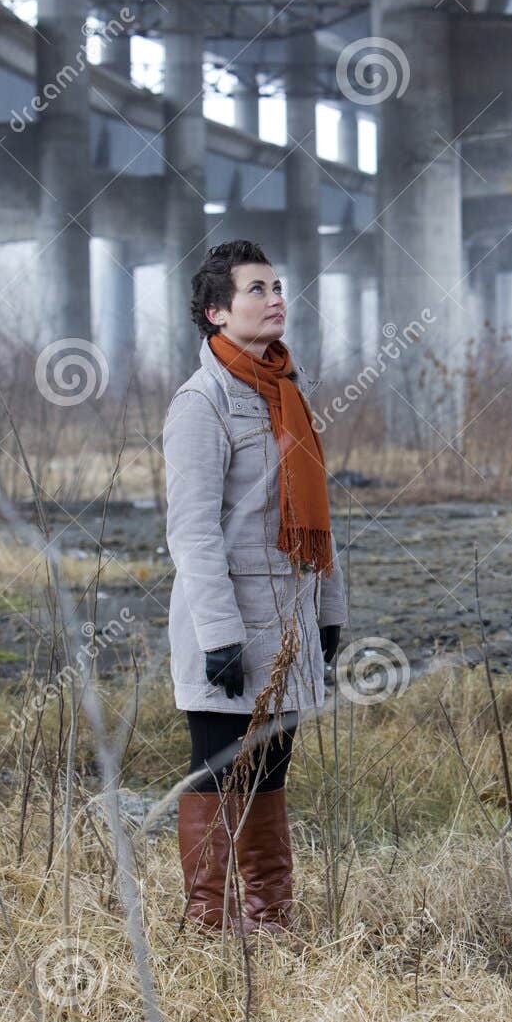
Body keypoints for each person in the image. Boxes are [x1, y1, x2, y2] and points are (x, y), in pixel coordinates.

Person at [161, 239, 348, 937]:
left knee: (268, 770)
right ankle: (208, 922)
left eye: (277, 286)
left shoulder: (286, 392)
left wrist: (331, 614)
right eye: (255, 290)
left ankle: (270, 919)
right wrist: (218, 636)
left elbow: (318, 515)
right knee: (217, 772)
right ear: (215, 312)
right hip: (232, 624)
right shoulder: (200, 403)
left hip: (291, 619)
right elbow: (194, 531)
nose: (275, 299)